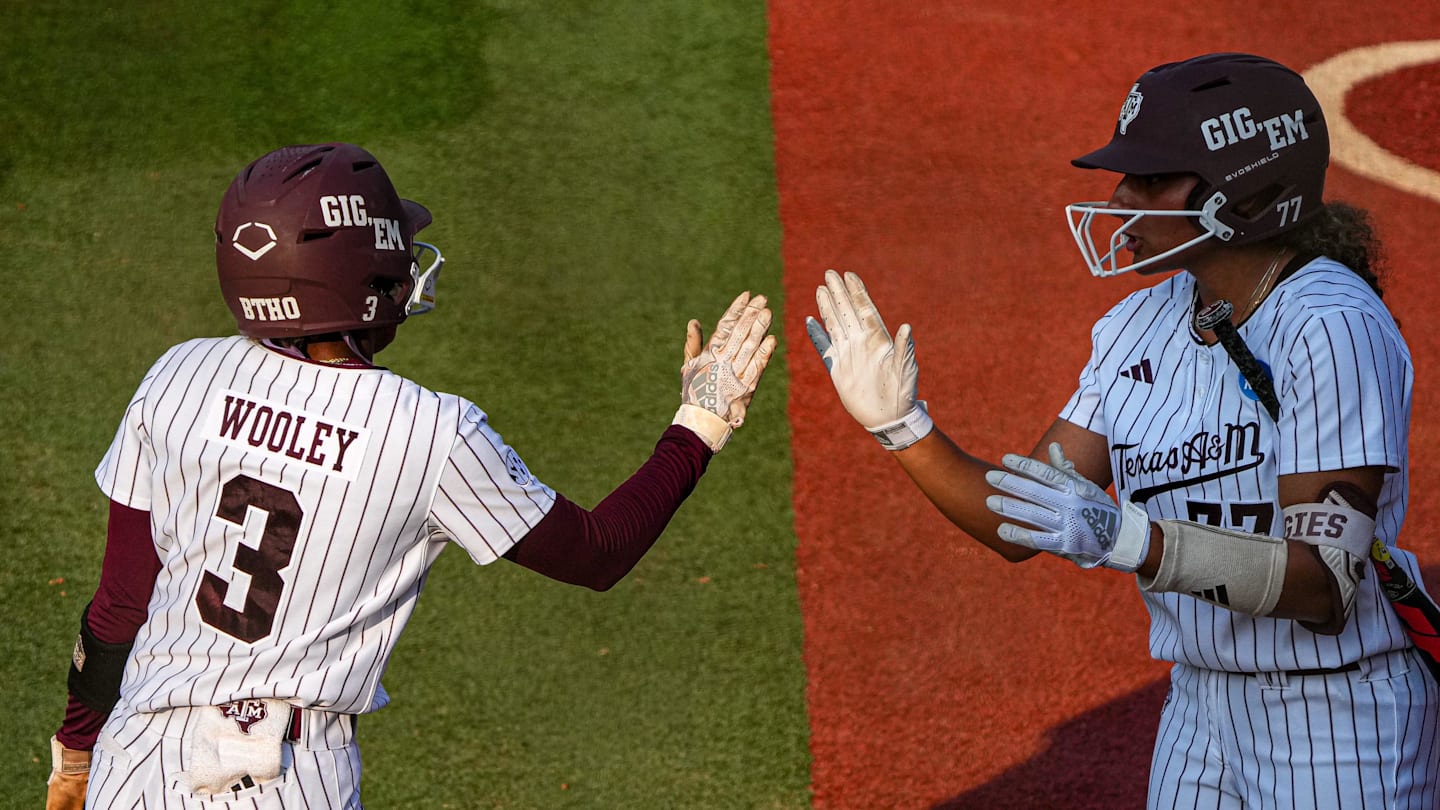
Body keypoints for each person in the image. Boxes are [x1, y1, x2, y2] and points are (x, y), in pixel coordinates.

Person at [45, 142, 777, 808]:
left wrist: (76, 753)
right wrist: (700, 424)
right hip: (284, 776)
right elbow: (597, 552)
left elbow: (117, 608)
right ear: (358, 273)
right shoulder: (428, 429)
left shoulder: (178, 375)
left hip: (135, 759)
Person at [806, 53, 1439, 808]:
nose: (1118, 196)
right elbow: (1021, 521)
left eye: (1148, 179)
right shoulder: (1138, 325)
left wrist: (1132, 540)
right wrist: (901, 425)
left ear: (1239, 196)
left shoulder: (1330, 325)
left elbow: (1325, 584)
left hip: (1339, 720)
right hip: (1201, 710)